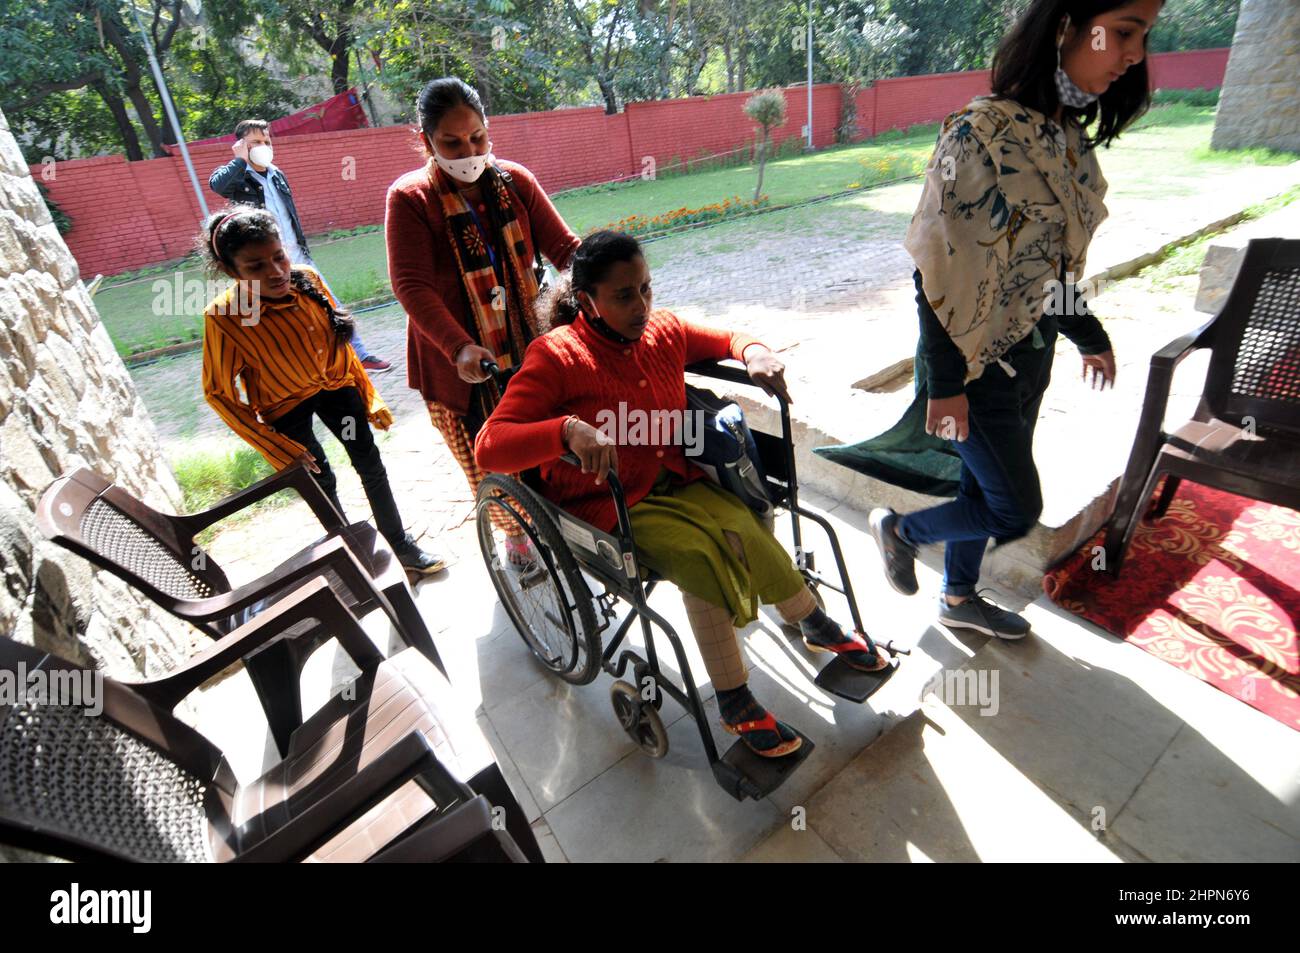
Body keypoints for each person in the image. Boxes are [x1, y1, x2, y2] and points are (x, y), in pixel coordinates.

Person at [475, 231, 892, 759]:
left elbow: (727, 339)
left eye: (646, 288)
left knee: (743, 522)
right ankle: (735, 702)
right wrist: (564, 431)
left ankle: (812, 619)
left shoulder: (663, 330)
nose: (642, 305)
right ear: (588, 302)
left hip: (674, 474)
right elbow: (489, 445)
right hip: (608, 502)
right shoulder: (557, 356)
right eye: (624, 295)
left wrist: (756, 352)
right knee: (699, 554)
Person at [863, 0, 1163, 638]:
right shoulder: (979, 133)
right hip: (971, 367)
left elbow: (1045, 268)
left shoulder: (1065, 138)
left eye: (1146, 35)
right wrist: (945, 387)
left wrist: (1089, 335)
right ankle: (901, 530)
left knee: (982, 496)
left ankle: (958, 599)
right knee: (1016, 508)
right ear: (1067, 28)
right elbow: (937, 273)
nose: (1136, 53)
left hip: (1030, 358)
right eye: (1127, 31)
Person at [385, 77, 580, 569]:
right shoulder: (410, 199)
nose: (469, 151)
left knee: (547, 447)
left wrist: (605, 280)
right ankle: (516, 539)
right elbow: (412, 286)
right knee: (492, 461)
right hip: (461, 367)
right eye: (452, 142)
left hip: (527, 346)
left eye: (478, 138)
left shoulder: (515, 181)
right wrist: (458, 347)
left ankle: (561, 524)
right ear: (425, 139)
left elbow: (565, 250)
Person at [198, 204, 445, 575]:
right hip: (284, 408)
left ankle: (399, 544)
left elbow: (341, 346)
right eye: (256, 266)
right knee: (320, 479)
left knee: (369, 462)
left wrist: (367, 394)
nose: (276, 271)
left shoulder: (308, 279)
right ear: (230, 271)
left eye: (279, 257)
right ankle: (354, 557)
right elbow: (219, 392)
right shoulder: (225, 317)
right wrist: (276, 445)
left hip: (336, 391)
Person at [209, 119, 393, 373]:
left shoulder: (277, 174)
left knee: (330, 305)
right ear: (240, 146)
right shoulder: (238, 180)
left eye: (266, 141)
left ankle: (359, 356)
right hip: (266, 265)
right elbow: (217, 185)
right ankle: (306, 369)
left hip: (297, 257)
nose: (263, 147)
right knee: (285, 319)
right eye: (255, 143)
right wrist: (240, 160)